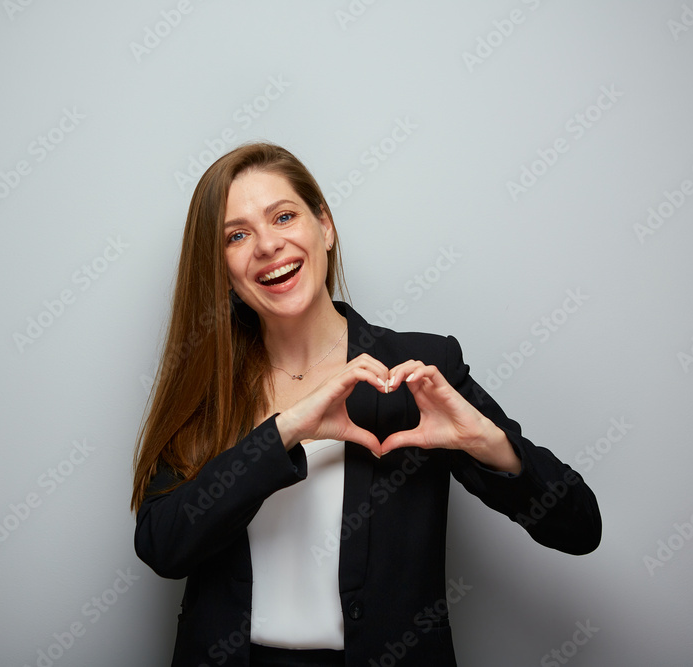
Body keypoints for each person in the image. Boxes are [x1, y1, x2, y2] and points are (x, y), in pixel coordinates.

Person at [131, 142, 601, 667]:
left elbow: (580, 527)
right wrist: (284, 431)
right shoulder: (209, 386)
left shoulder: (419, 368)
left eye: (283, 216)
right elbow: (161, 545)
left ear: (324, 227)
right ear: (220, 268)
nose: (266, 245)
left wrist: (490, 445)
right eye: (236, 236)